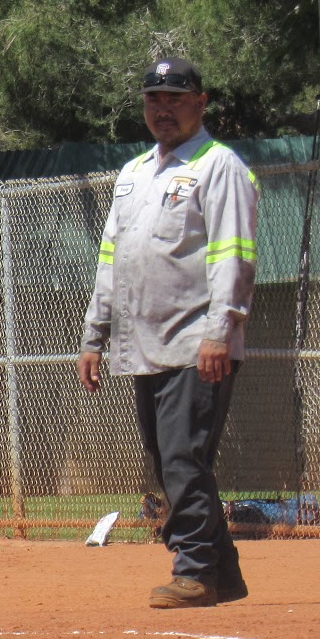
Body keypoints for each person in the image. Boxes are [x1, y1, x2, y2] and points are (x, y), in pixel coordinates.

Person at [78, 58, 257, 608]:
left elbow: (234, 255)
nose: (163, 109)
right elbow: (113, 256)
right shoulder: (133, 174)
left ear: (200, 104)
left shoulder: (219, 166)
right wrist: (94, 333)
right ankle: (223, 574)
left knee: (183, 458)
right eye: (155, 99)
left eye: (175, 99)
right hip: (141, 344)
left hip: (196, 342)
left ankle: (195, 571)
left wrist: (219, 332)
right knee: (169, 460)